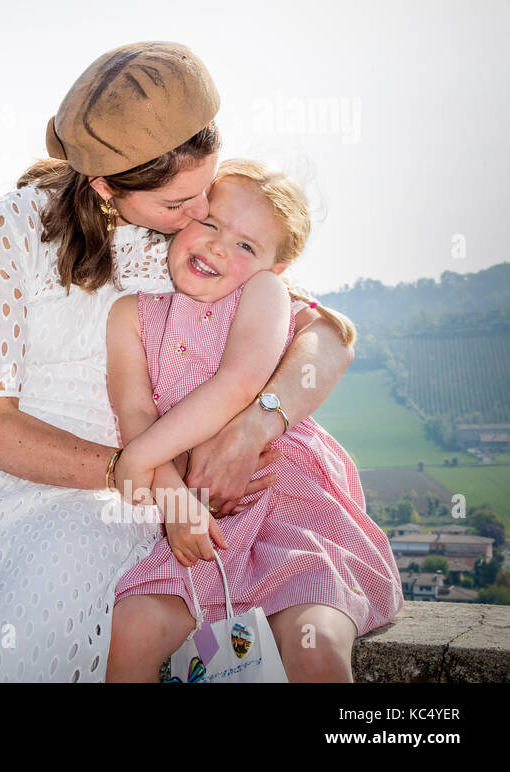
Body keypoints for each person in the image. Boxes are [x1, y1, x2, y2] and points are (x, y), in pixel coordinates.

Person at [0, 42, 355, 681]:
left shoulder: (194, 235)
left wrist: (258, 424)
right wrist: (149, 478)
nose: (198, 215)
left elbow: (325, 338)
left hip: (140, 494)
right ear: (107, 186)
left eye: (204, 192)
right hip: (17, 484)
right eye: (179, 205)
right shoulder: (7, 232)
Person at [105, 159, 403, 682]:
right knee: (130, 630)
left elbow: (240, 383)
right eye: (212, 225)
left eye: (246, 245)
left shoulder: (262, 295)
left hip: (289, 504)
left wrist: (141, 458)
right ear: (183, 218)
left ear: (274, 268)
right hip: (203, 521)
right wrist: (173, 501)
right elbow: (136, 413)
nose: (221, 247)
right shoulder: (130, 314)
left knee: (315, 643)